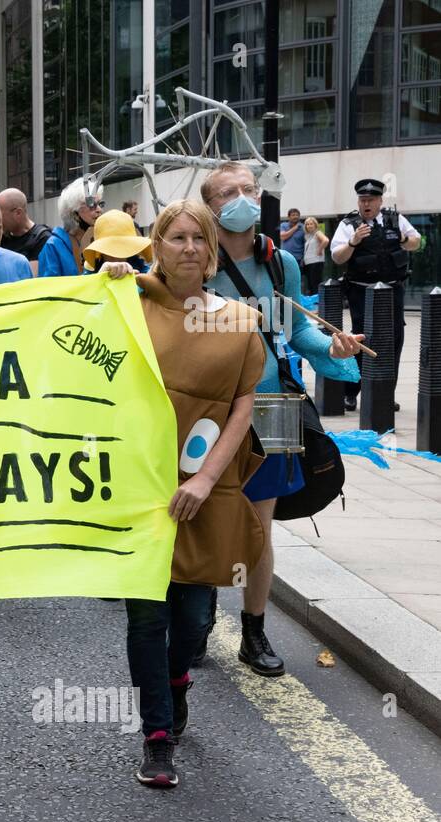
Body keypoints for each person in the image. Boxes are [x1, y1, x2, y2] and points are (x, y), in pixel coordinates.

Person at [101, 200, 268, 788]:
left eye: (200, 237)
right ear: (157, 245)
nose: (190, 247)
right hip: (139, 490)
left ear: (213, 248)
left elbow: (243, 407)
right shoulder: (127, 307)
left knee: (194, 620)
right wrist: (116, 279)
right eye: (176, 237)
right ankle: (157, 735)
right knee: (147, 617)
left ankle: (175, 686)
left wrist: (202, 478)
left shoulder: (240, 322)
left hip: (206, 488)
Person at [202, 162, 362, 677]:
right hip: (208, 409)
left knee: (258, 528)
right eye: (229, 192)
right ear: (211, 206)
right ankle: (197, 621)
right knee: (200, 517)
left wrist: (335, 346)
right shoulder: (194, 259)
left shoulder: (281, 265)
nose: (242, 197)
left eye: (248, 188)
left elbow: (296, 334)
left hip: (272, 405)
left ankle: (253, 631)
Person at [331, 178, 421, 412]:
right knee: (361, 341)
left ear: (380, 201)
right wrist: (353, 241)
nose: (366, 204)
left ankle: (385, 394)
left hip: (393, 291)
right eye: (362, 200)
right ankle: (351, 392)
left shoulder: (395, 220)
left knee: (393, 342)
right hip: (361, 292)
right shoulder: (349, 224)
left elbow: (416, 242)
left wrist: (403, 239)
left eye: (371, 200)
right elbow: (337, 257)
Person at [37, 177, 104, 278]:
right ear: (74, 213)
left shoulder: (102, 239)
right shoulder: (53, 246)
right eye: (91, 205)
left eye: (100, 204)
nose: (99, 209)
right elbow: (49, 289)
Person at [0, 188, 51, 275]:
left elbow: (30, 278)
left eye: (0, 215)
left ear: (18, 213)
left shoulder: (42, 238)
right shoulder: (2, 237)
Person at [81, 209, 151, 275]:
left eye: (122, 248)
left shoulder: (141, 268)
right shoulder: (91, 271)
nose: (116, 256)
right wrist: (99, 278)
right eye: (109, 249)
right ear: (100, 251)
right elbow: (82, 286)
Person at [302, 216, 329, 296]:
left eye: (311, 224)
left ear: (315, 225)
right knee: (311, 284)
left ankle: (317, 302)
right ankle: (313, 301)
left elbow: (326, 240)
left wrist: (319, 250)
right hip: (309, 263)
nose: (309, 226)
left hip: (316, 262)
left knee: (315, 283)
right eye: (307, 224)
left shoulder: (318, 233)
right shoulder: (308, 236)